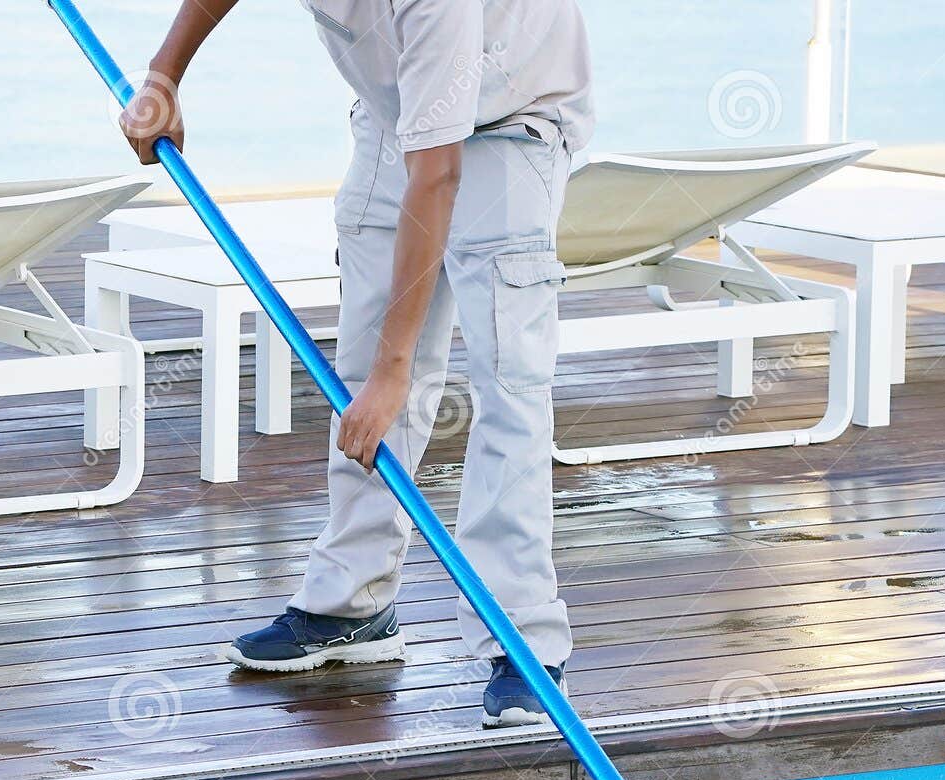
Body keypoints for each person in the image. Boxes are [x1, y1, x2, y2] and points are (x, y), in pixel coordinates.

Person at [121, 0, 592, 726]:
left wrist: (395, 372)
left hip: (512, 114)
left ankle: (524, 640)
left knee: (508, 380)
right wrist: (164, 74)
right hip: (399, 109)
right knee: (360, 365)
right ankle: (353, 603)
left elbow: (436, 176)